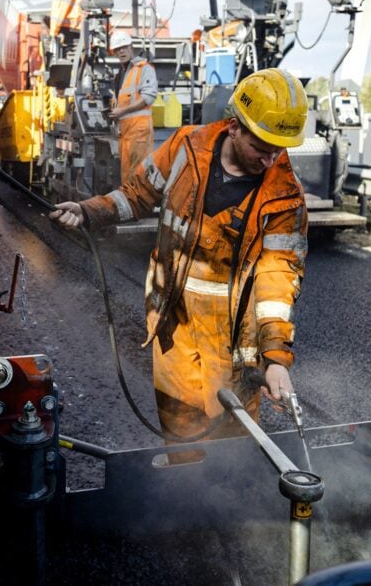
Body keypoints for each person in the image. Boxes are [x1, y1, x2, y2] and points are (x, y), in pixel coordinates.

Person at [50, 68, 309, 441]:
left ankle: (223, 501)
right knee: (180, 433)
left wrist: (276, 359)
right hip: (174, 321)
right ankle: (184, 495)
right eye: (261, 148)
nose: (270, 161)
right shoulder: (187, 149)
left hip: (233, 337)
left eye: (278, 150)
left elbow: (278, 280)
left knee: (230, 442)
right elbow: (137, 193)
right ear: (234, 127)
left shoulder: (285, 196)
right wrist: (90, 211)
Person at [108, 31, 158, 182]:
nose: (121, 51)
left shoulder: (144, 68)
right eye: (118, 49)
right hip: (126, 133)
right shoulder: (121, 74)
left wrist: (122, 111)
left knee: (138, 175)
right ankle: (131, 205)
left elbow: (148, 97)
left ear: (131, 47)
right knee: (127, 176)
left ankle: (140, 205)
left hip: (139, 132)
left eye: (124, 47)